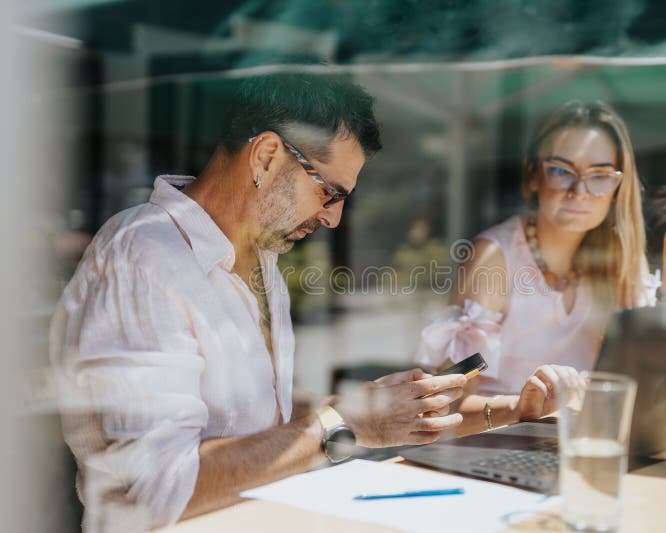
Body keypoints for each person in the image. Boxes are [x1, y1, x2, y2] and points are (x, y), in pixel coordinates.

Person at [49, 74, 471, 531]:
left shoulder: (261, 258)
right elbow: (158, 491)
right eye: (329, 193)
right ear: (267, 156)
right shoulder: (143, 258)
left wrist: (372, 408)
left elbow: (252, 425)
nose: (333, 218)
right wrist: (343, 422)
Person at [417, 100, 666, 436]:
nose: (579, 192)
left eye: (600, 176)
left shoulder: (618, 254)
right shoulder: (495, 258)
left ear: (617, 188)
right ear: (533, 175)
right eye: (561, 170)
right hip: (494, 445)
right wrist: (520, 409)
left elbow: (659, 374)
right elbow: (445, 407)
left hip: (580, 442)